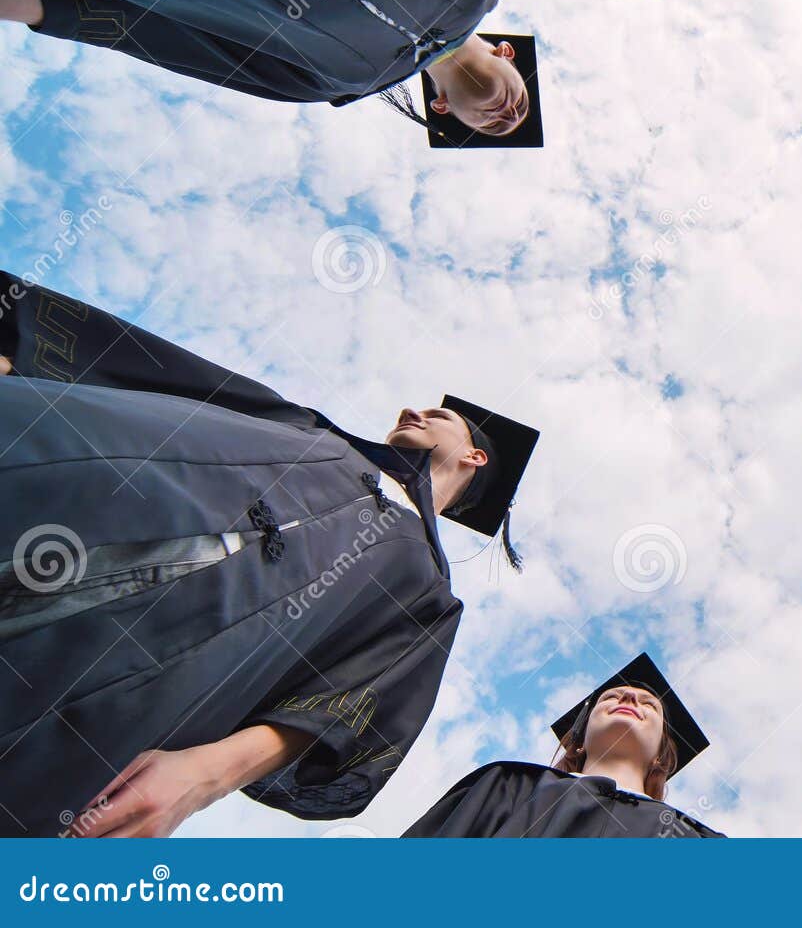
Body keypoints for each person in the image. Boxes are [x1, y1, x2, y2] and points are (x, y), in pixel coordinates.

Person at [0, 271, 538, 837]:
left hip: (110, 694)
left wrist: (200, 778)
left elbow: (340, 713)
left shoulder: (426, 593)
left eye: (440, 416)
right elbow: (150, 373)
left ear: (475, 458)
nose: (414, 410)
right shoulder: (300, 428)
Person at [0, 0, 535, 135]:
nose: (509, 116)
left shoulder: (323, 80)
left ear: (442, 108)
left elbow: (140, 27)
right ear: (506, 51)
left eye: (491, 129)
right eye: (524, 106)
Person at [404, 653, 724, 837]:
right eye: (610, 697)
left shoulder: (697, 841)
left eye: (649, 705)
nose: (629, 697)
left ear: (660, 756)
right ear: (580, 740)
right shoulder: (505, 786)